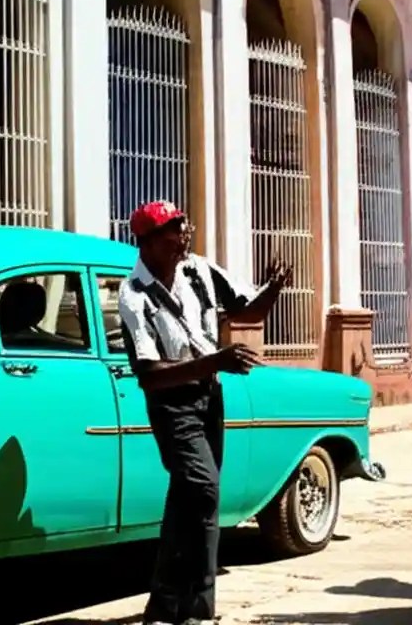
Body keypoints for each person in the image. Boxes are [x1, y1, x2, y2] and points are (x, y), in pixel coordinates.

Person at [116, 200, 293, 625]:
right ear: (150, 242)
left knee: (189, 502)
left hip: (209, 398)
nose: (185, 234)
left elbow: (248, 310)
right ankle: (194, 606)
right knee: (203, 491)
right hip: (172, 406)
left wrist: (274, 287)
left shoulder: (199, 271)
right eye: (175, 229)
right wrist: (217, 361)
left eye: (183, 224)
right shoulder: (133, 294)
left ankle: (167, 605)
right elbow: (151, 374)